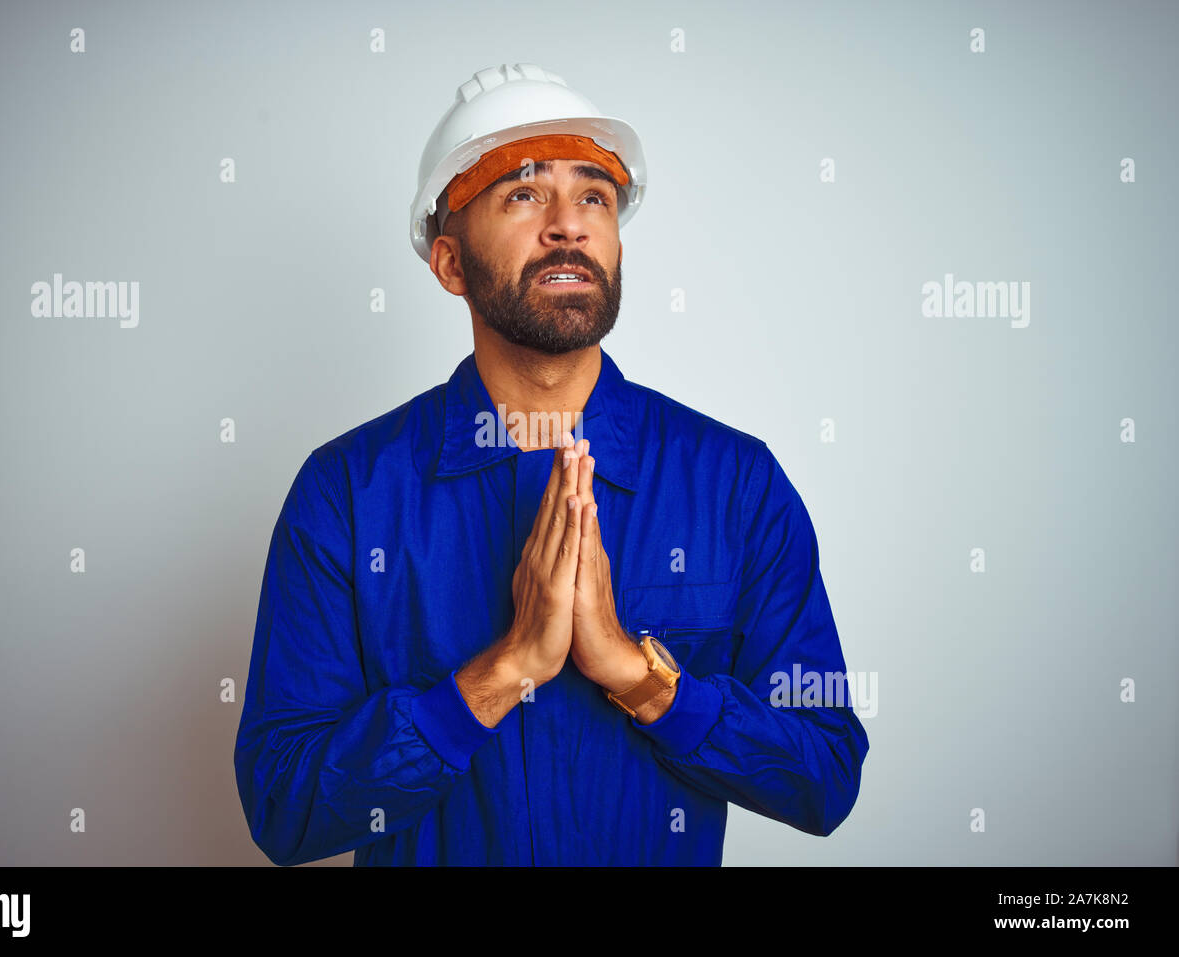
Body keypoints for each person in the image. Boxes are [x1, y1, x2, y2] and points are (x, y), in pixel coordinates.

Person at [234, 63, 869, 866]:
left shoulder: (735, 484)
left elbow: (825, 774)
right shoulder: (347, 494)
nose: (568, 224)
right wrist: (498, 675)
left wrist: (640, 679)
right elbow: (283, 805)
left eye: (594, 196)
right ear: (450, 263)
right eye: (524, 193)